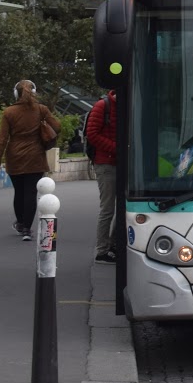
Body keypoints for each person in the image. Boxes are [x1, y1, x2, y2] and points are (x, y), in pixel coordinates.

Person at [0, 79, 61, 241]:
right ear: (34, 92)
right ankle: (26, 229)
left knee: (19, 192)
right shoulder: (41, 109)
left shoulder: (9, 112)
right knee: (31, 192)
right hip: (35, 156)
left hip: (14, 156)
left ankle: (21, 222)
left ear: (15, 94)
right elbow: (57, 126)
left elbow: (2, 139)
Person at [85, 89, 119, 263]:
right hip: (105, 163)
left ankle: (114, 244)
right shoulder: (102, 105)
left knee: (123, 208)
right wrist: (116, 147)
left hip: (121, 164)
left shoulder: (129, 105)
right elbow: (92, 134)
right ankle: (102, 250)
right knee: (108, 208)